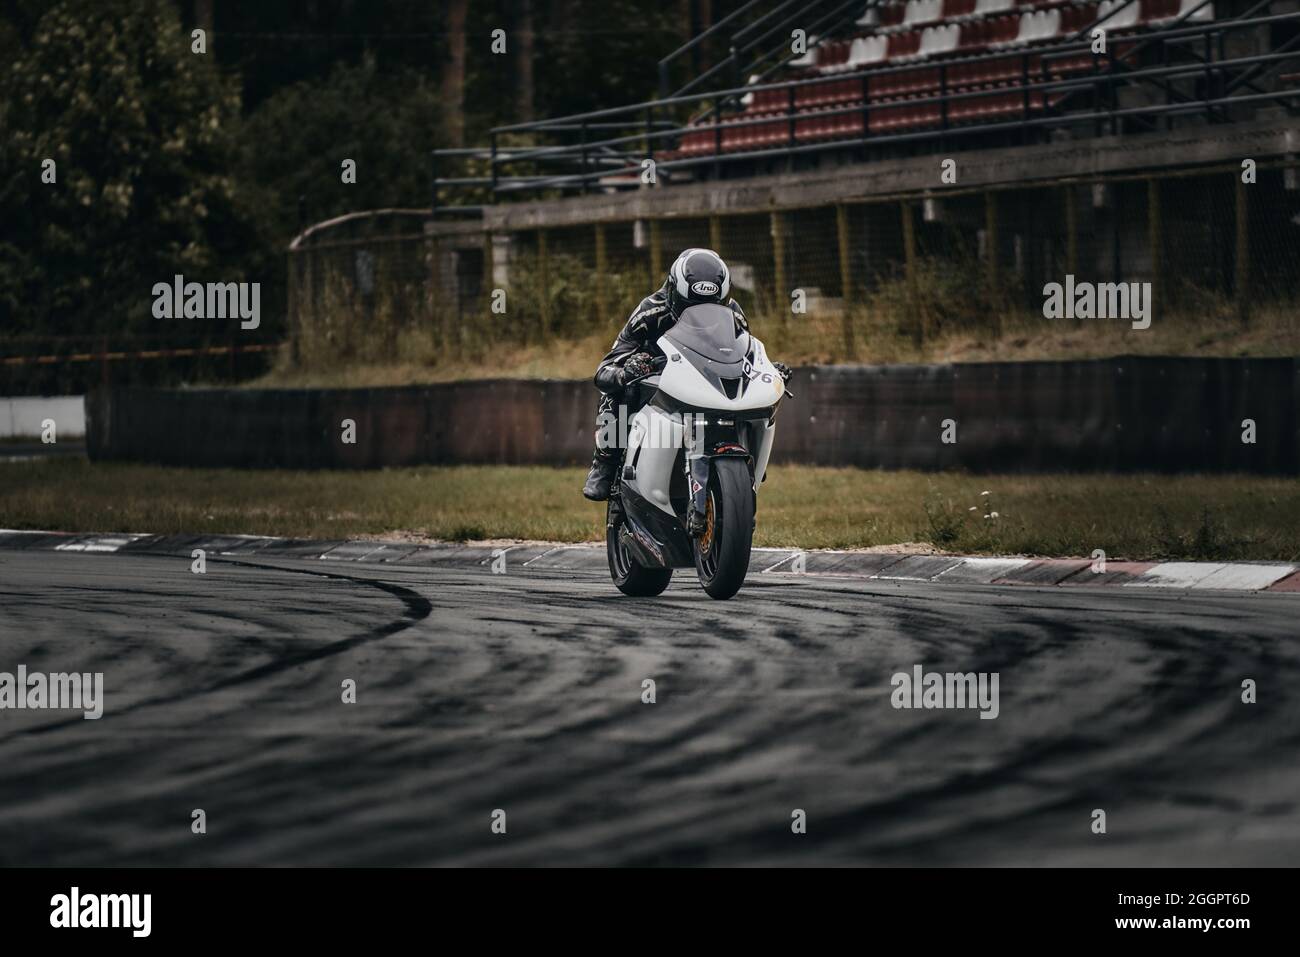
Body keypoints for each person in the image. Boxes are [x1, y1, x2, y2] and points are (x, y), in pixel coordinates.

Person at [582, 247, 789, 501]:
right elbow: (606, 368)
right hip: (657, 385)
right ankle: (604, 463)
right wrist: (627, 370)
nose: (703, 313)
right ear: (673, 292)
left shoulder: (734, 313)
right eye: (693, 305)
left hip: (704, 384)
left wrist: (764, 369)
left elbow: (741, 352)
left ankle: (748, 463)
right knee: (616, 393)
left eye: (712, 306)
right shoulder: (649, 312)